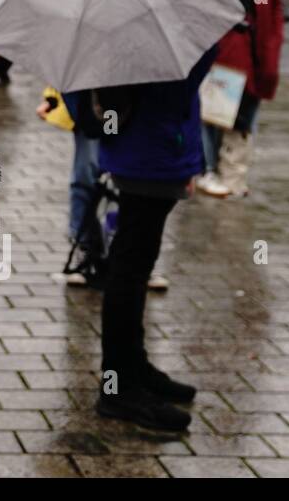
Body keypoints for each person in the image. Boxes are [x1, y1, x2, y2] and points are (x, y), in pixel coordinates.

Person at [78, 52, 216, 432]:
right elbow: (180, 82)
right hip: (149, 152)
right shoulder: (151, 33)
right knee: (128, 270)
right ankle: (118, 388)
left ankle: (132, 367)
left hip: (150, 149)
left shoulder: (141, 23)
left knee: (134, 269)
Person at [197, 0, 283, 198]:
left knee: (245, 115)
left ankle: (234, 174)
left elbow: (268, 6)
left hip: (255, 49)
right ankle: (208, 170)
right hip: (225, 48)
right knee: (214, 114)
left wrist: (270, 47)